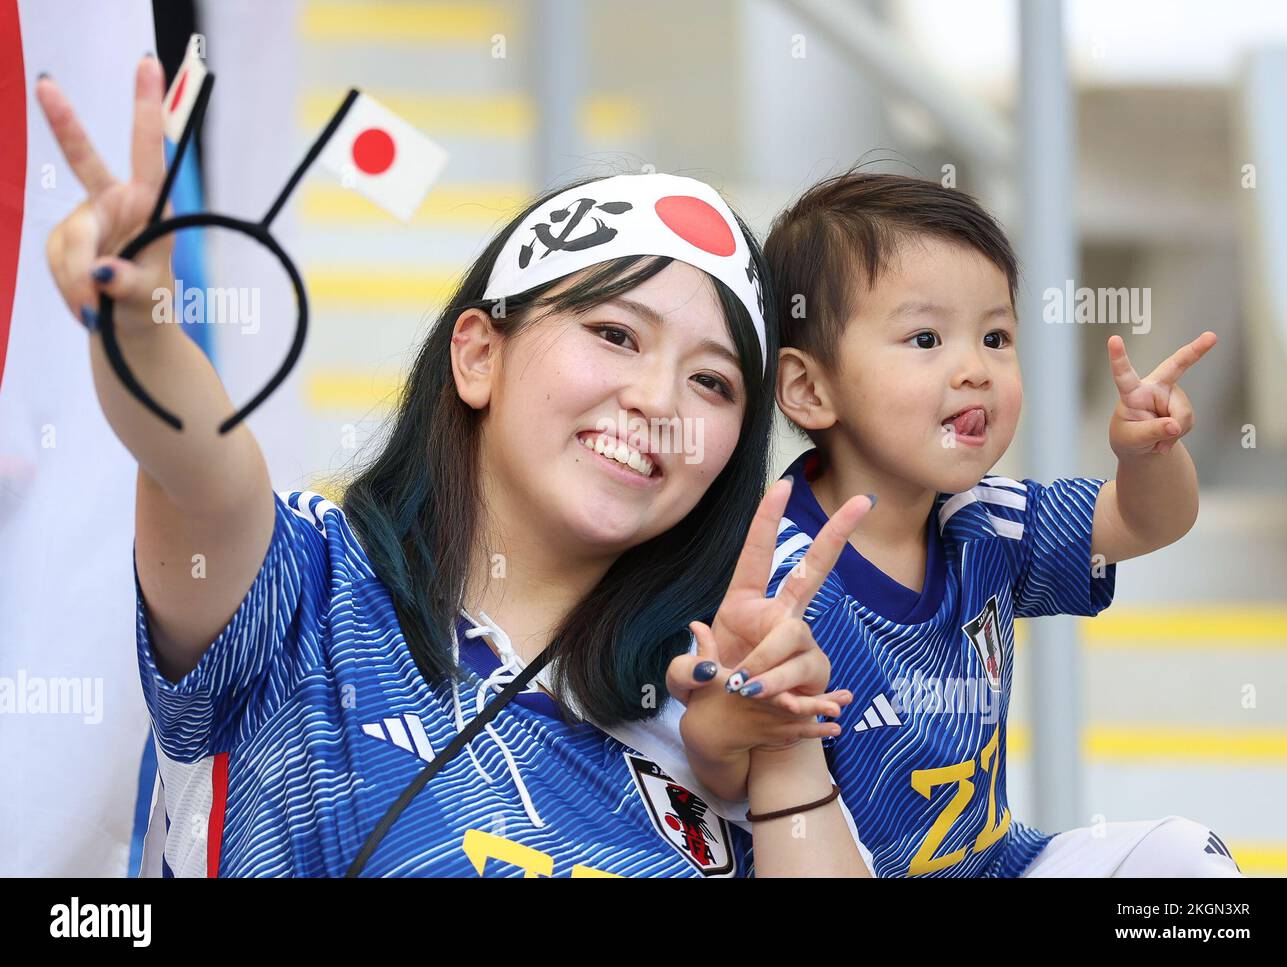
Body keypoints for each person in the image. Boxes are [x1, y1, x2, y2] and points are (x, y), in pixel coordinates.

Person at [36, 55, 871, 877]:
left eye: (711, 382)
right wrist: (142, 328)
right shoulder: (302, 588)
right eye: (615, 334)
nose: (658, 399)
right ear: (477, 356)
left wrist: (780, 746)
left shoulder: (714, 721)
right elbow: (199, 469)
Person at [721, 169, 1239, 877]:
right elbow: (722, 758)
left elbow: (1144, 520)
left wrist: (1148, 455)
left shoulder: (985, 519)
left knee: (1185, 858)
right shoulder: (784, 578)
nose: (975, 368)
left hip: (1002, 862)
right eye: (927, 337)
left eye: (996, 336)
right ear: (810, 388)